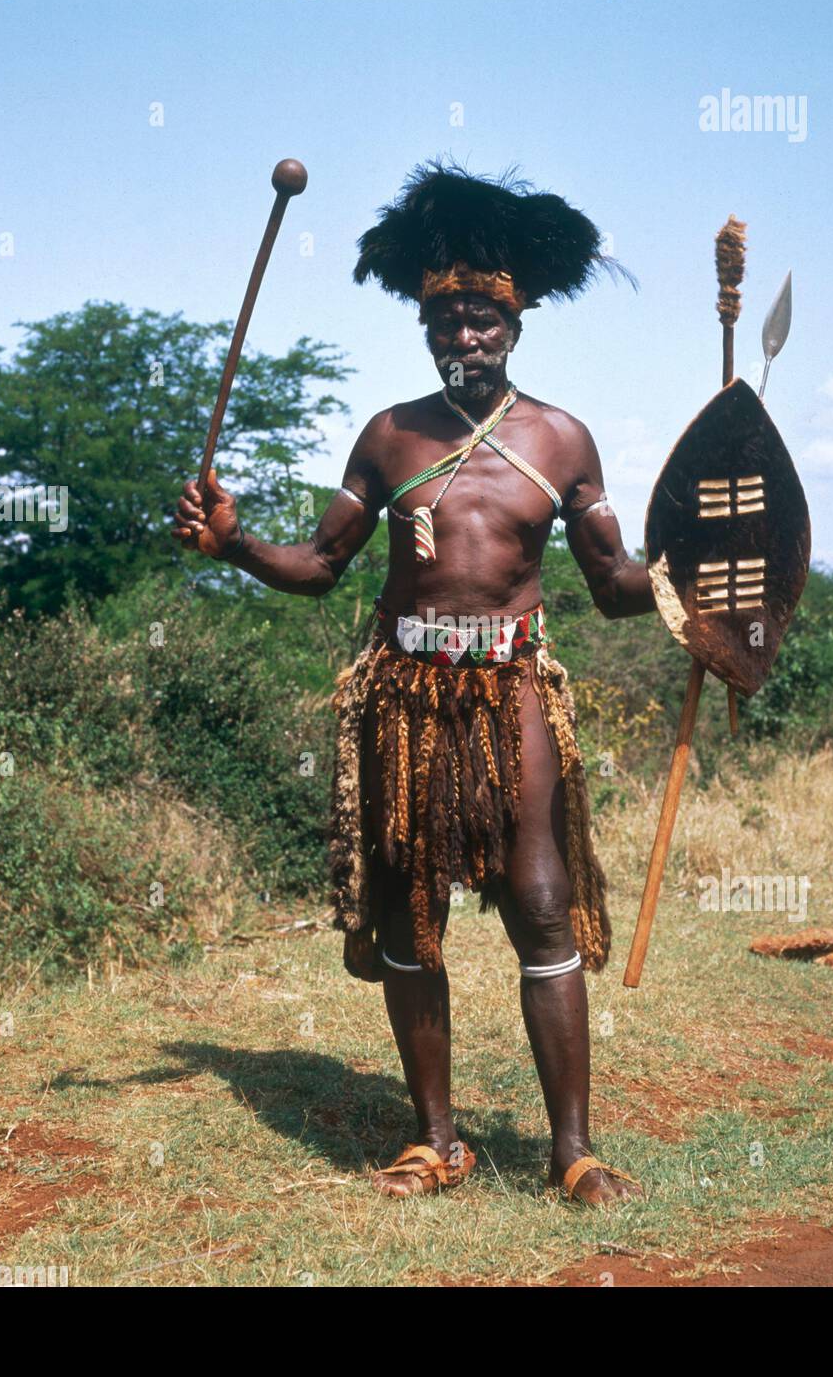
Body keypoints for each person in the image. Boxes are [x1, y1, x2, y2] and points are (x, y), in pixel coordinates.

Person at [174, 162, 656, 1206]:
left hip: (513, 690)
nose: (464, 336)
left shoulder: (560, 440)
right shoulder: (390, 437)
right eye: (446, 319)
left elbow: (612, 584)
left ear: (515, 323)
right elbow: (316, 568)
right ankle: (433, 1139)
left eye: (482, 318)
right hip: (405, 696)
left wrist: (681, 581)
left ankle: (569, 1148)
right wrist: (234, 542)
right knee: (407, 918)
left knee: (540, 907)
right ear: (426, 328)